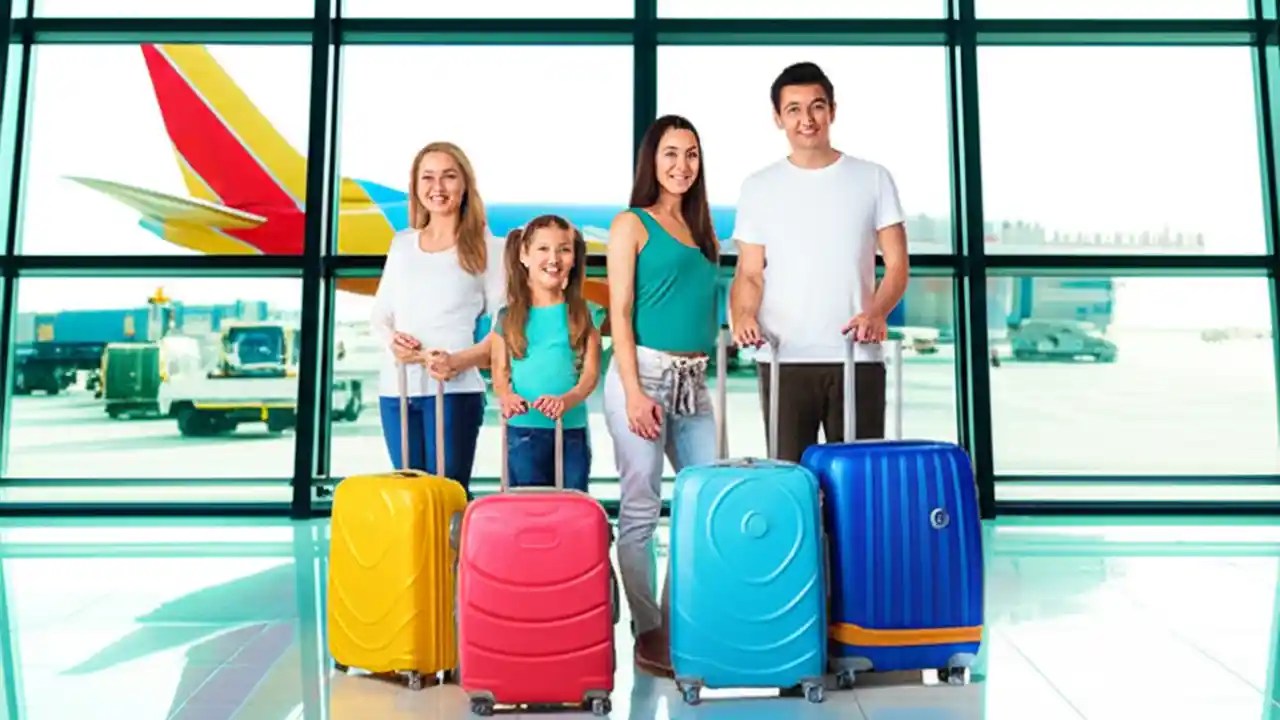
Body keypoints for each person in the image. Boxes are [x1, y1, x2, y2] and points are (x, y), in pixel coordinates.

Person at [730, 61, 909, 462]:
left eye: (816, 106)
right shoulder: (758, 187)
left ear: (832, 110)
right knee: (792, 481)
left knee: (858, 480)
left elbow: (897, 266)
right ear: (778, 118)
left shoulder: (873, 178)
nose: (806, 119)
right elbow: (750, 272)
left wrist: (876, 312)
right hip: (783, 356)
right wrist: (743, 316)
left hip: (856, 354)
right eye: (793, 109)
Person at [604, 114, 721, 677]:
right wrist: (632, 392)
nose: (682, 165)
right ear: (652, 161)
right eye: (671, 153)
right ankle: (648, 628)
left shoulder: (701, 230)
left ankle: (677, 619)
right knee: (641, 508)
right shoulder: (632, 223)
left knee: (706, 499)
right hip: (643, 375)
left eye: (691, 154)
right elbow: (621, 311)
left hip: (692, 382)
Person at [369, 141, 505, 498]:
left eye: (449, 176)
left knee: (447, 496)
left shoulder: (490, 248)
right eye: (427, 177)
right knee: (410, 499)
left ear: (465, 184)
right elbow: (380, 316)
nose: (438, 187)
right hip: (397, 389)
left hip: (455, 390)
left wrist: (460, 360)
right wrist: (393, 343)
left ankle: (457, 541)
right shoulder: (402, 245)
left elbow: (506, 327)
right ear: (415, 186)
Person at [490, 214, 602, 492]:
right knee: (526, 506)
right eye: (543, 248)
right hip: (522, 432)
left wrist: (567, 400)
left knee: (572, 505)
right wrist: (507, 397)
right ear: (524, 255)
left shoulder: (586, 314)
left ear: (574, 259)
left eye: (564, 249)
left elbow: (589, 376)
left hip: (572, 432)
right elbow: (500, 372)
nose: (554, 258)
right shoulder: (507, 317)